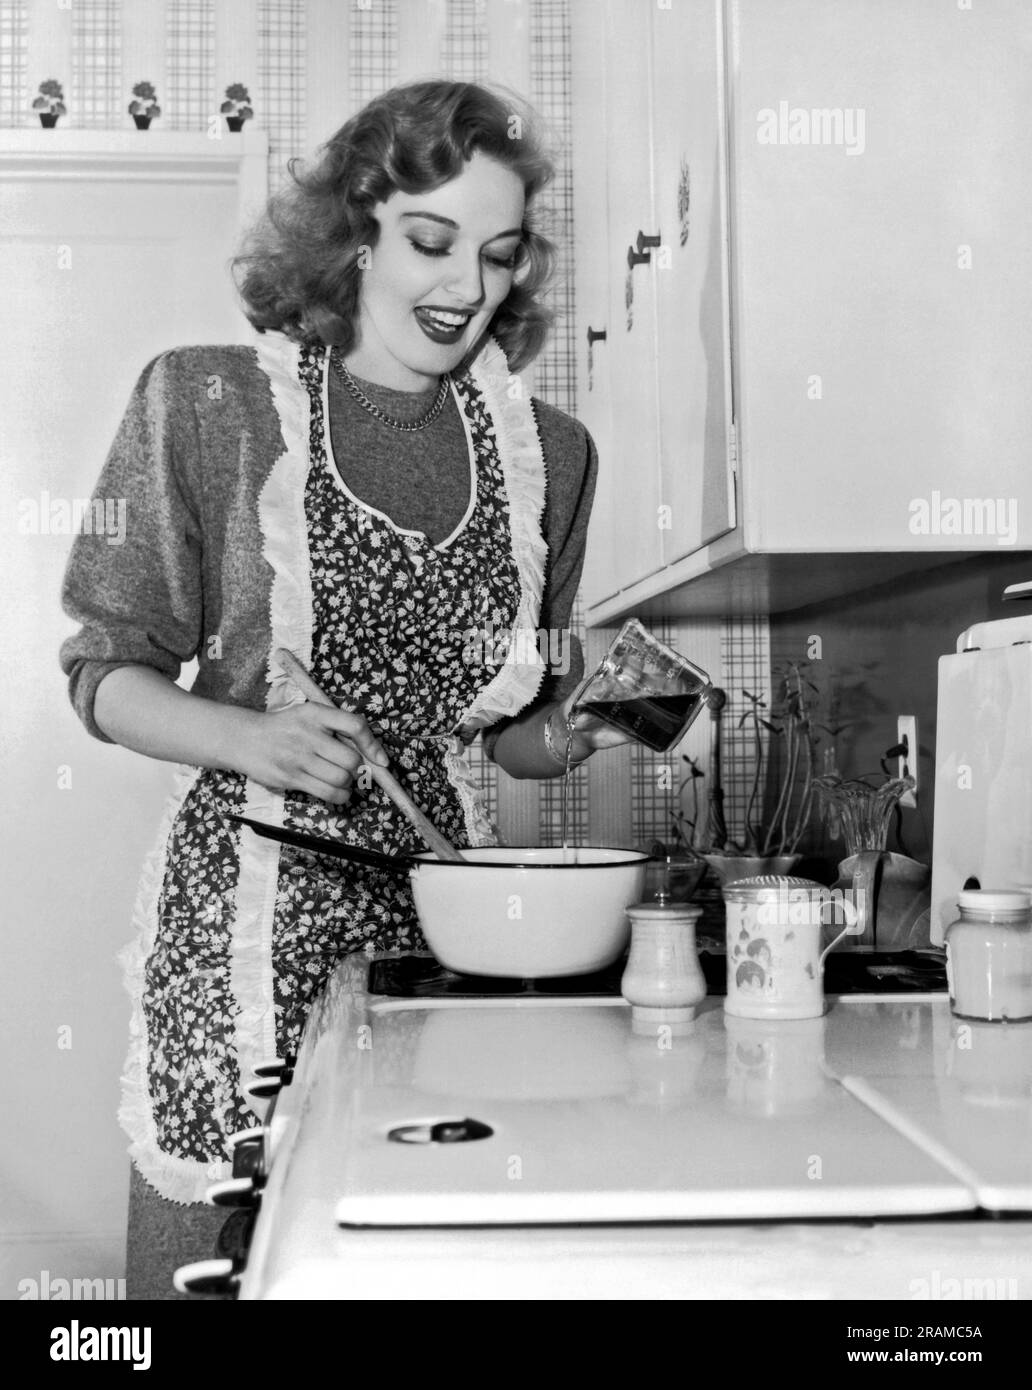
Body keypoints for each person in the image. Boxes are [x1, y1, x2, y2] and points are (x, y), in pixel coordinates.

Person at [59, 80, 630, 1299]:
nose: (464, 287)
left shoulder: (554, 457)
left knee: (400, 1257)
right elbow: (104, 674)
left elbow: (510, 738)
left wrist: (568, 732)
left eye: (499, 253)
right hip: (246, 926)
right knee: (223, 1263)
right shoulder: (211, 402)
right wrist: (254, 739)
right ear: (358, 229)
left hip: (441, 938)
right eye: (430, 241)